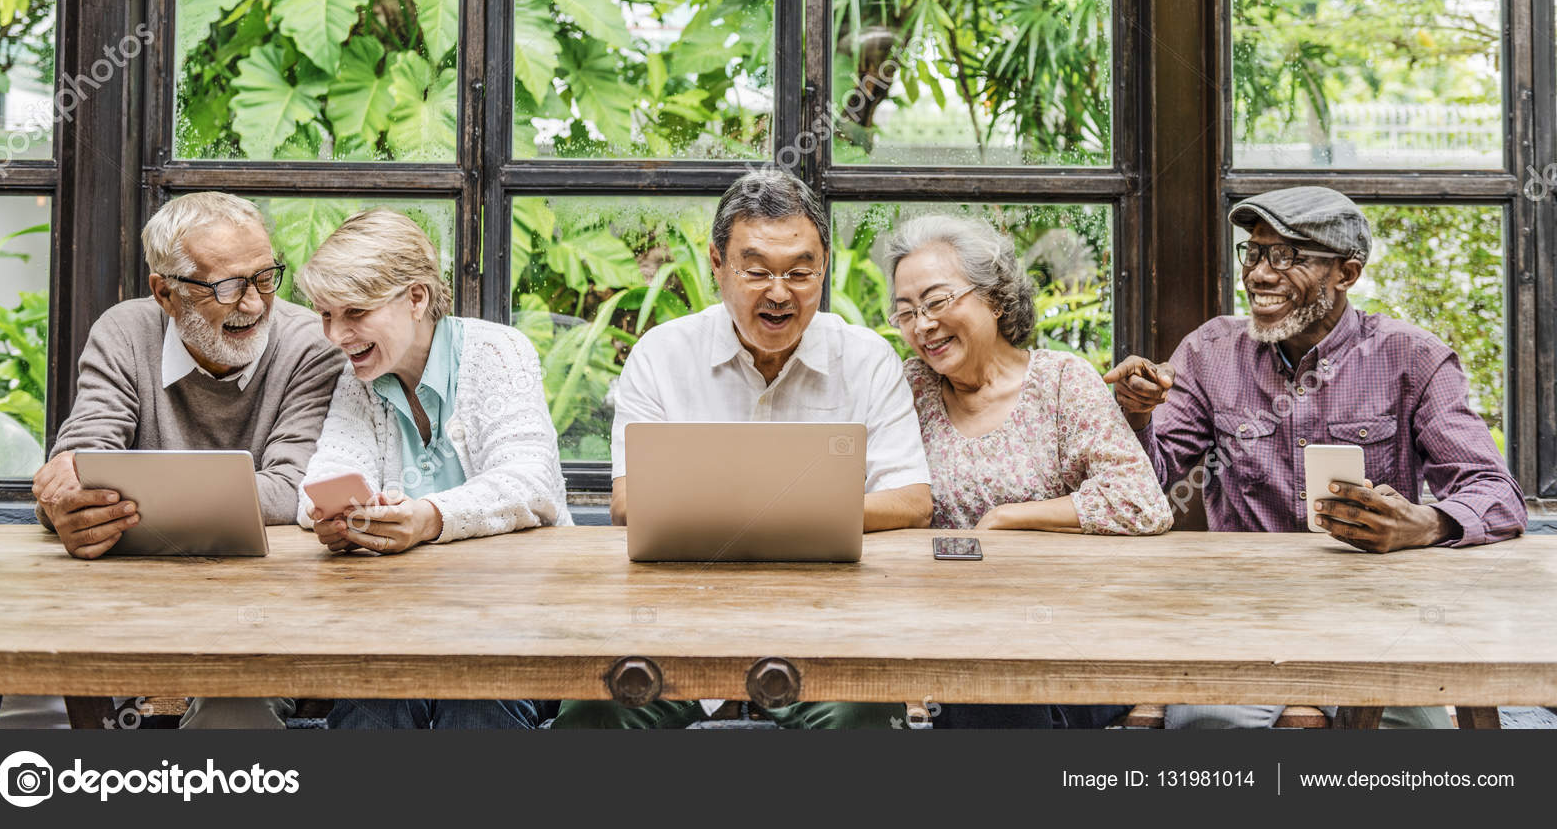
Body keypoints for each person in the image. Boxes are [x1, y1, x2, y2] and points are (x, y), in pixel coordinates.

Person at [1105, 185, 1526, 729]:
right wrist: (1137, 417)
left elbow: (1497, 494)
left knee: (1419, 747)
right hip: (1242, 617)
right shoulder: (1209, 352)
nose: (1259, 273)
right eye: (1254, 252)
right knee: (1210, 727)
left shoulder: (1414, 358)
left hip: (1377, 621)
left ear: (1345, 275)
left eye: (1287, 256)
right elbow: (1150, 477)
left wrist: (1425, 523)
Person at [551, 169, 932, 729]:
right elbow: (629, 503)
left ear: (823, 267)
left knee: (858, 716)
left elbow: (912, 501)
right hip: (674, 623)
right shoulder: (661, 355)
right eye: (756, 271)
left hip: (828, 625)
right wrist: (799, 514)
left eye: (800, 272)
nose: (779, 293)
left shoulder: (867, 359)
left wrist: (750, 514)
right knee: (592, 716)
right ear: (716, 265)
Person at [31, 191, 346, 729]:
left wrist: (123, 501)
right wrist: (64, 501)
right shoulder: (124, 331)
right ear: (166, 293)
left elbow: (295, 488)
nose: (254, 304)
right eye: (227, 286)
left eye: (266, 277)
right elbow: (81, 457)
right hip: (140, 603)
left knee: (232, 707)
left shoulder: (311, 346)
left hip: (267, 605)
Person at [885, 214, 1170, 729]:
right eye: (906, 312)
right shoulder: (910, 388)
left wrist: (1010, 518)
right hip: (942, 634)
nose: (921, 325)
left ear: (993, 297)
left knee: (992, 689)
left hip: (1065, 633)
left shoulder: (1062, 382)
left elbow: (1141, 503)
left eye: (936, 302)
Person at [295, 208, 570, 730]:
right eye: (325, 314)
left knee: (477, 704)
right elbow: (323, 479)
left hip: (511, 623)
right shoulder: (359, 377)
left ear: (416, 298)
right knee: (374, 706)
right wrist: (336, 516)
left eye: (354, 312)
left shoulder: (497, 350)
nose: (335, 334)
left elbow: (530, 483)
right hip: (395, 631)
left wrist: (429, 516)